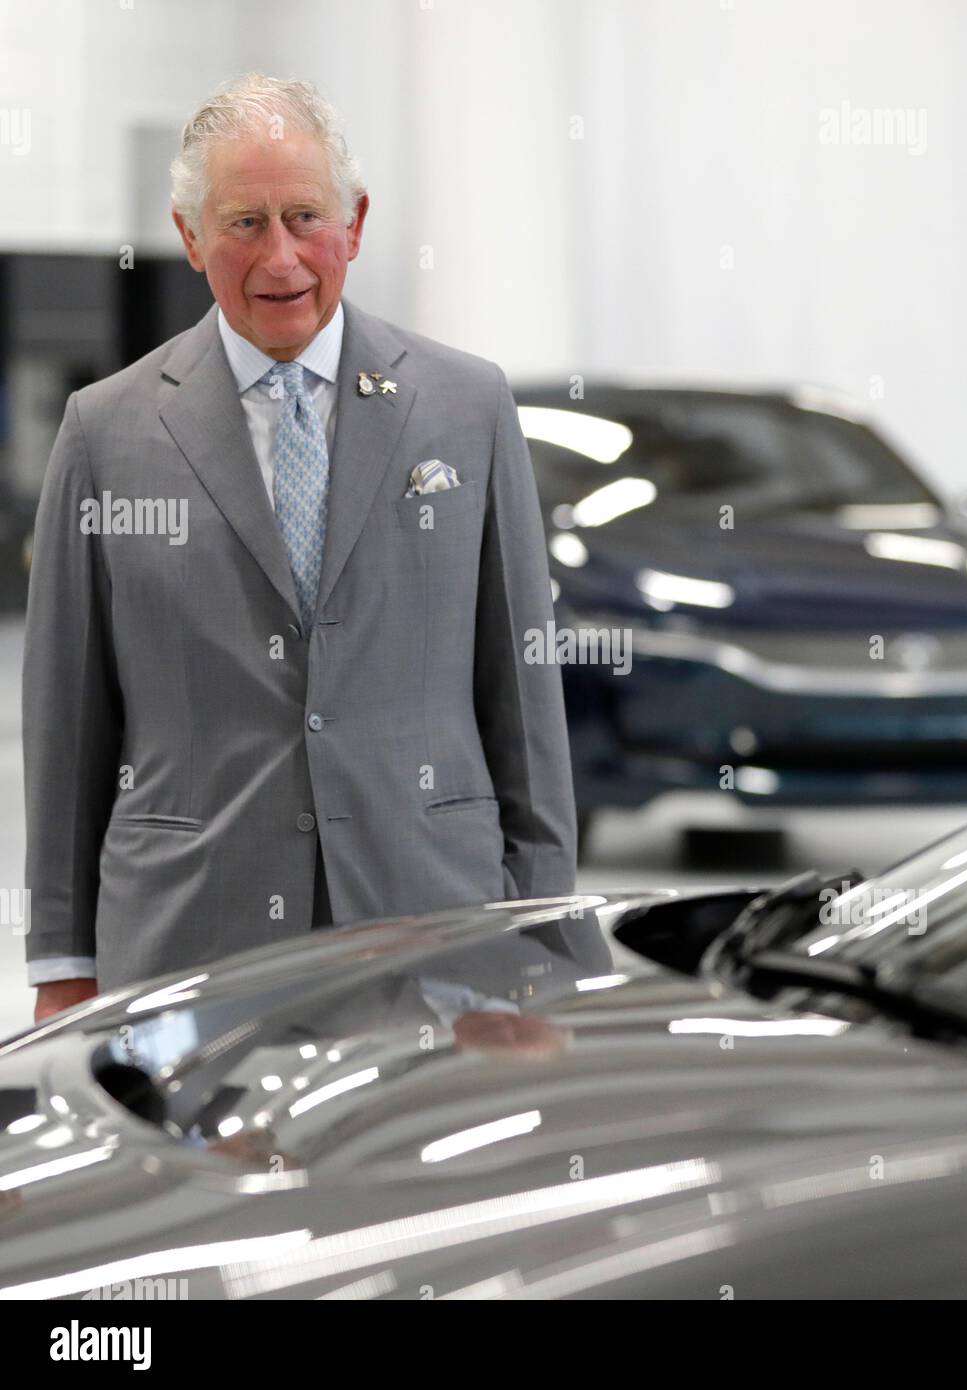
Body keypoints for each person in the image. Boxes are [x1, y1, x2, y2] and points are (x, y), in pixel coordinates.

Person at [23, 73, 576, 1022]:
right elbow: (69, 724)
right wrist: (64, 965)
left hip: (433, 931)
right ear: (191, 236)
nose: (281, 257)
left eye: (304, 216)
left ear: (355, 225)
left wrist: (545, 942)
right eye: (244, 223)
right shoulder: (103, 432)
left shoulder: (467, 408)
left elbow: (522, 702)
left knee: (412, 1172)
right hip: (187, 947)